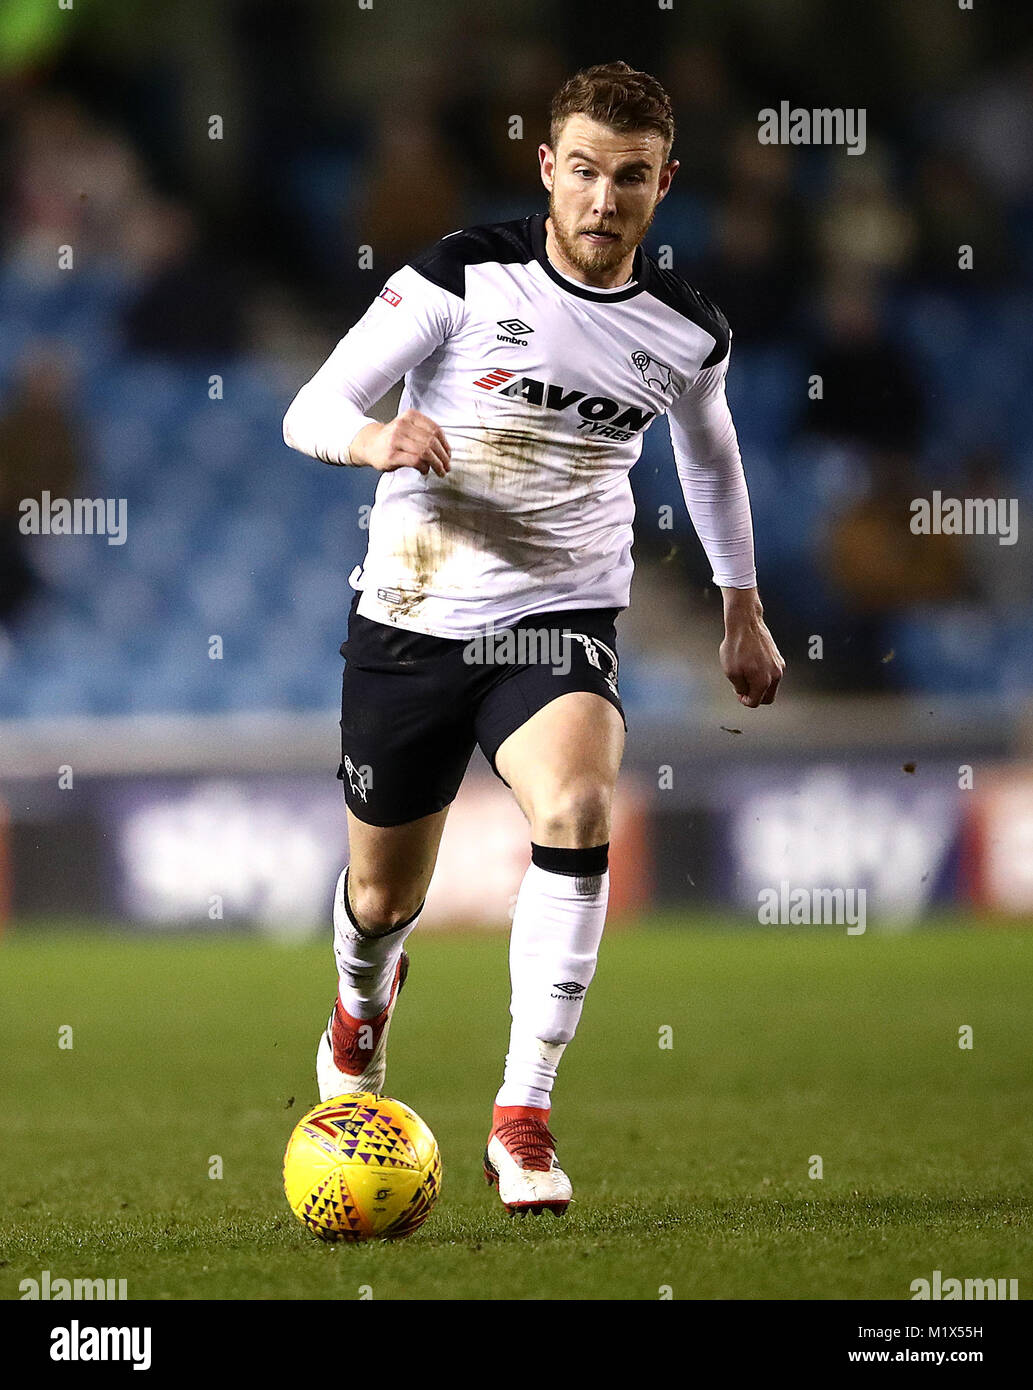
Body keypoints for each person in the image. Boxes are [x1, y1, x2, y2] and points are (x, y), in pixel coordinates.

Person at [282, 61, 784, 1216]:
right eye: (586, 172)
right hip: (410, 620)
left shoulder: (685, 330)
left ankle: (524, 1112)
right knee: (377, 900)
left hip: (558, 614)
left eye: (632, 177)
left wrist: (741, 606)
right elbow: (313, 405)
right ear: (547, 169)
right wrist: (377, 444)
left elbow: (709, 457)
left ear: (665, 184)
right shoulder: (461, 272)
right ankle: (363, 1001)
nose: (605, 198)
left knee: (575, 809)